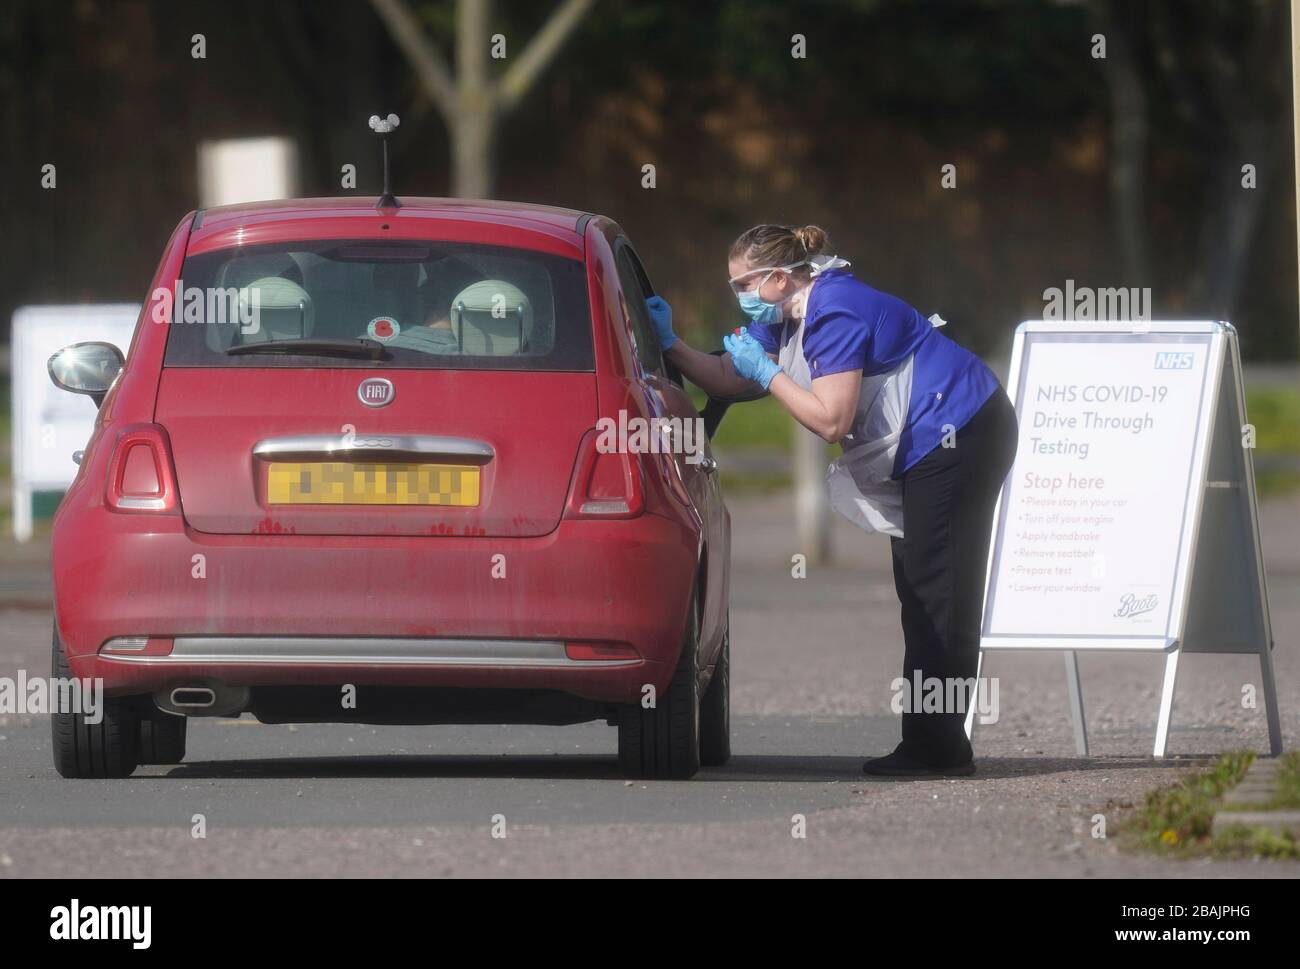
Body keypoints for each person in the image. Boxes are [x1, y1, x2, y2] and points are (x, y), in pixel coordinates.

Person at [646, 223, 1018, 776]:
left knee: (937, 593)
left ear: (777, 276)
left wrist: (768, 373)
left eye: (742, 284)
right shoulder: (789, 312)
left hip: (959, 433)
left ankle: (938, 748)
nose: (739, 297)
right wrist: (671, 343)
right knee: (919, 591)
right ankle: (934, 741)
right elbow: (728, 377)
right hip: (930, 441)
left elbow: (829, 418)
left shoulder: (835, 310)